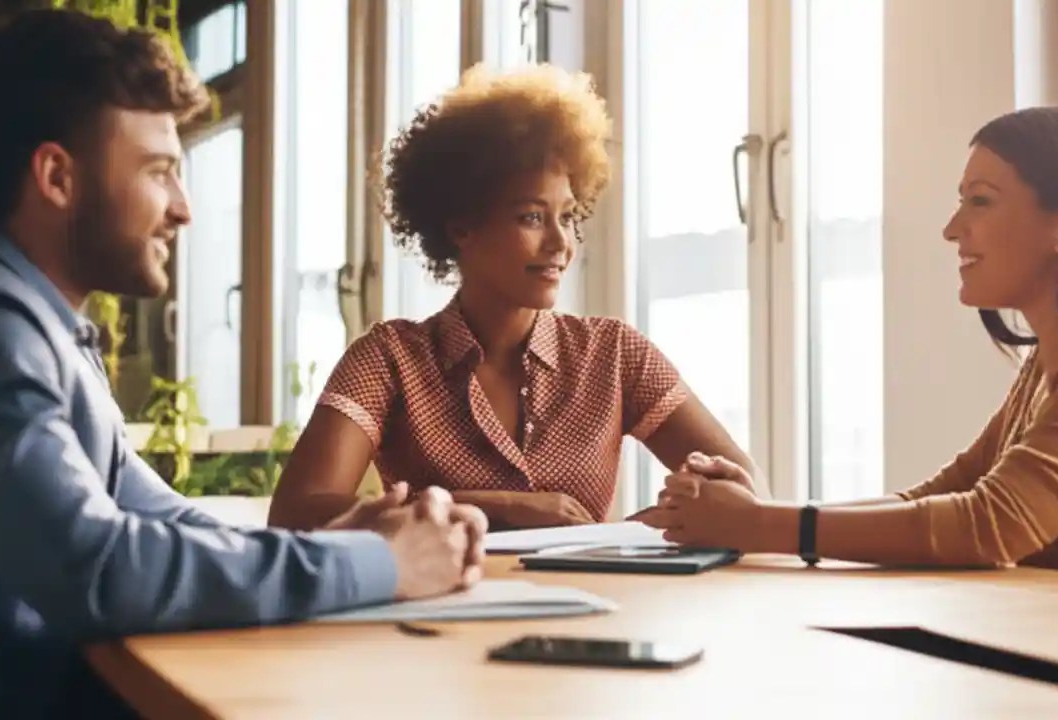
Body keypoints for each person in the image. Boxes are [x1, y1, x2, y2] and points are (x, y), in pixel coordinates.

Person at [0, 10, 486, 717]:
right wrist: (384, 565)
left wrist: (337, 545)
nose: (184, 209)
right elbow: (99, 567)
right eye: (160, 171)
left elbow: (157, 517)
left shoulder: (33, 322)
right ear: (56, 176)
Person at [642, 105, 1058, 589]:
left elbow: (987, 525)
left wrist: (761, 525)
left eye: (980, 200)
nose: (953, 228)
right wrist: (760, 514)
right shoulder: (1053, 363)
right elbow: (941, 497)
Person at [267, 64, 764, 533]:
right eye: (531, 217)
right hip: (437, 615)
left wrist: (623, 535)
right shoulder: (389, 359)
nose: (560, 243)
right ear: (462, 225)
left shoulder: (614, 355)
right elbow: (297, 512)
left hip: (593, 614)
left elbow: (745, 489)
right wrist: (495, 506)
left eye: (567, 217)